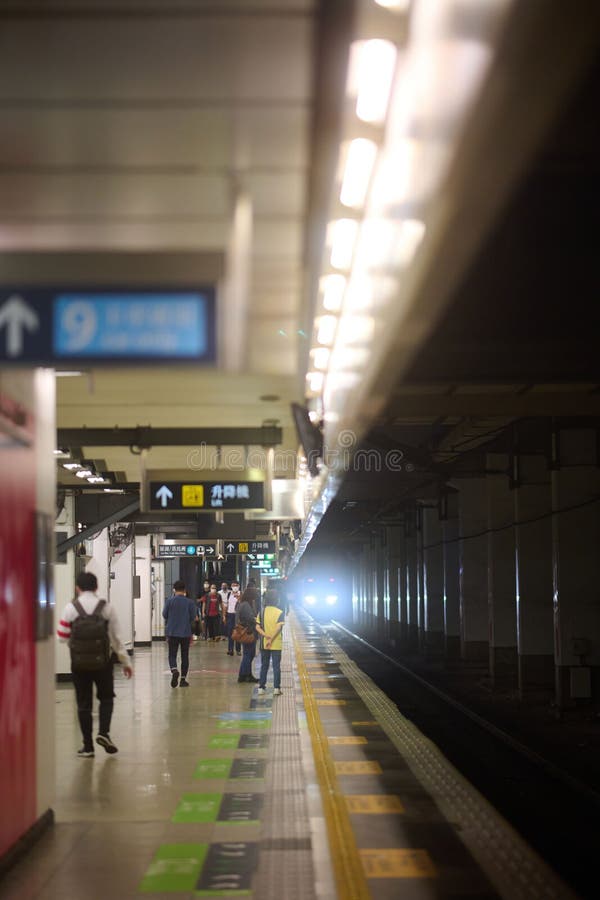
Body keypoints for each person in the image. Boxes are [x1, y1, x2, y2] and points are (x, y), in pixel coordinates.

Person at [57, 571, 133, 757]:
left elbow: (62, 637)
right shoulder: (106, 608)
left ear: (77, 588)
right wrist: (126, 662)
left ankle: (88, 747)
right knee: (106, 698)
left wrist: (78, 645)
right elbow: (116, 639)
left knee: (83, 704)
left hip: (79, 664)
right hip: (103, 663)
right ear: (97, 587)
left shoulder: (71, 608)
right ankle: (103, 733)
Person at [163, 580, 197, 687]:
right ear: (184, 590)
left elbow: (164, 614)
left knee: (172, 654)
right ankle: (183, 680)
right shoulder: (190, 602)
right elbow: (193, 616)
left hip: (172, 632)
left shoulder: (169, 601)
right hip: (185, 632)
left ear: (174, 589)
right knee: (185, 655)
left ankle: (174, 670)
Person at [256, 588, 285, 696]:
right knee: (276, 666)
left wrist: (265, 636)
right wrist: (271, 639)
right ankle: (276, 688)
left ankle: (261, 688)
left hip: (264, 643)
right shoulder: (279, 612)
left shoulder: (262, 612)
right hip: (276, 644)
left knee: (264, 665)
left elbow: (257, 627)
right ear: (277, 599)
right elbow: (278, 628)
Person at [236, 587, 259, 683]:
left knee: (249, 654)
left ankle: (246, 675)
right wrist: (257, 620)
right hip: (248, 632)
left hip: (247, 631)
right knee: (248, 654)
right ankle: (243, 675)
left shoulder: (243, 603)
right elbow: (250, 618)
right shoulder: (246, 605)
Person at [223, 580, 242, 656]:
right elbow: (226, 606)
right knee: (230, 632)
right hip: (230, 615)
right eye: (233, 585)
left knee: (238, 632)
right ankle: (230, 649)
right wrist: (224, 615)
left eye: (236, 585)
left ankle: (238, 650)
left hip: (238, 615)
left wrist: (239, 598)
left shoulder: (241, 594)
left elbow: (243, 604)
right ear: (231, 587)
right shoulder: (229, 594)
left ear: (238, 586)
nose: (234, 587)